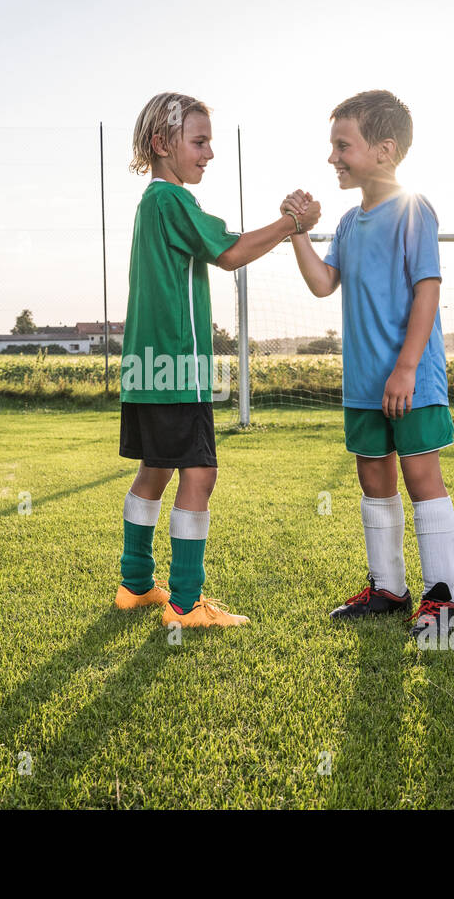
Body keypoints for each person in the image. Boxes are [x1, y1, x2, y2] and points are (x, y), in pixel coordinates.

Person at [116, 91, 319, 628]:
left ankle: (134, 584)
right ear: (163, 144)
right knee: (199, 472)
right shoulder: (171, 200)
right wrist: (291, 223)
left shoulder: (151, 204)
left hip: (146, 370)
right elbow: (229, 253)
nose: (208, 153)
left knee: (156, 468)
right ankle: (186, 604)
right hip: (178, 367)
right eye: (199, 141)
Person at [284, 90, 454, 637]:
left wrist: (406, 367)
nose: (334, 158)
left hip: (411, 380)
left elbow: (427, 290)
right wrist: (295, 231)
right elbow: (322, 284)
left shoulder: (413, 209)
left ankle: (442, 601)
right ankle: (389, 588)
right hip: (363, 384)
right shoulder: (346, 223)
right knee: (373, 477)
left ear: (383, 150)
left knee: (420, 475)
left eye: (343, 146)